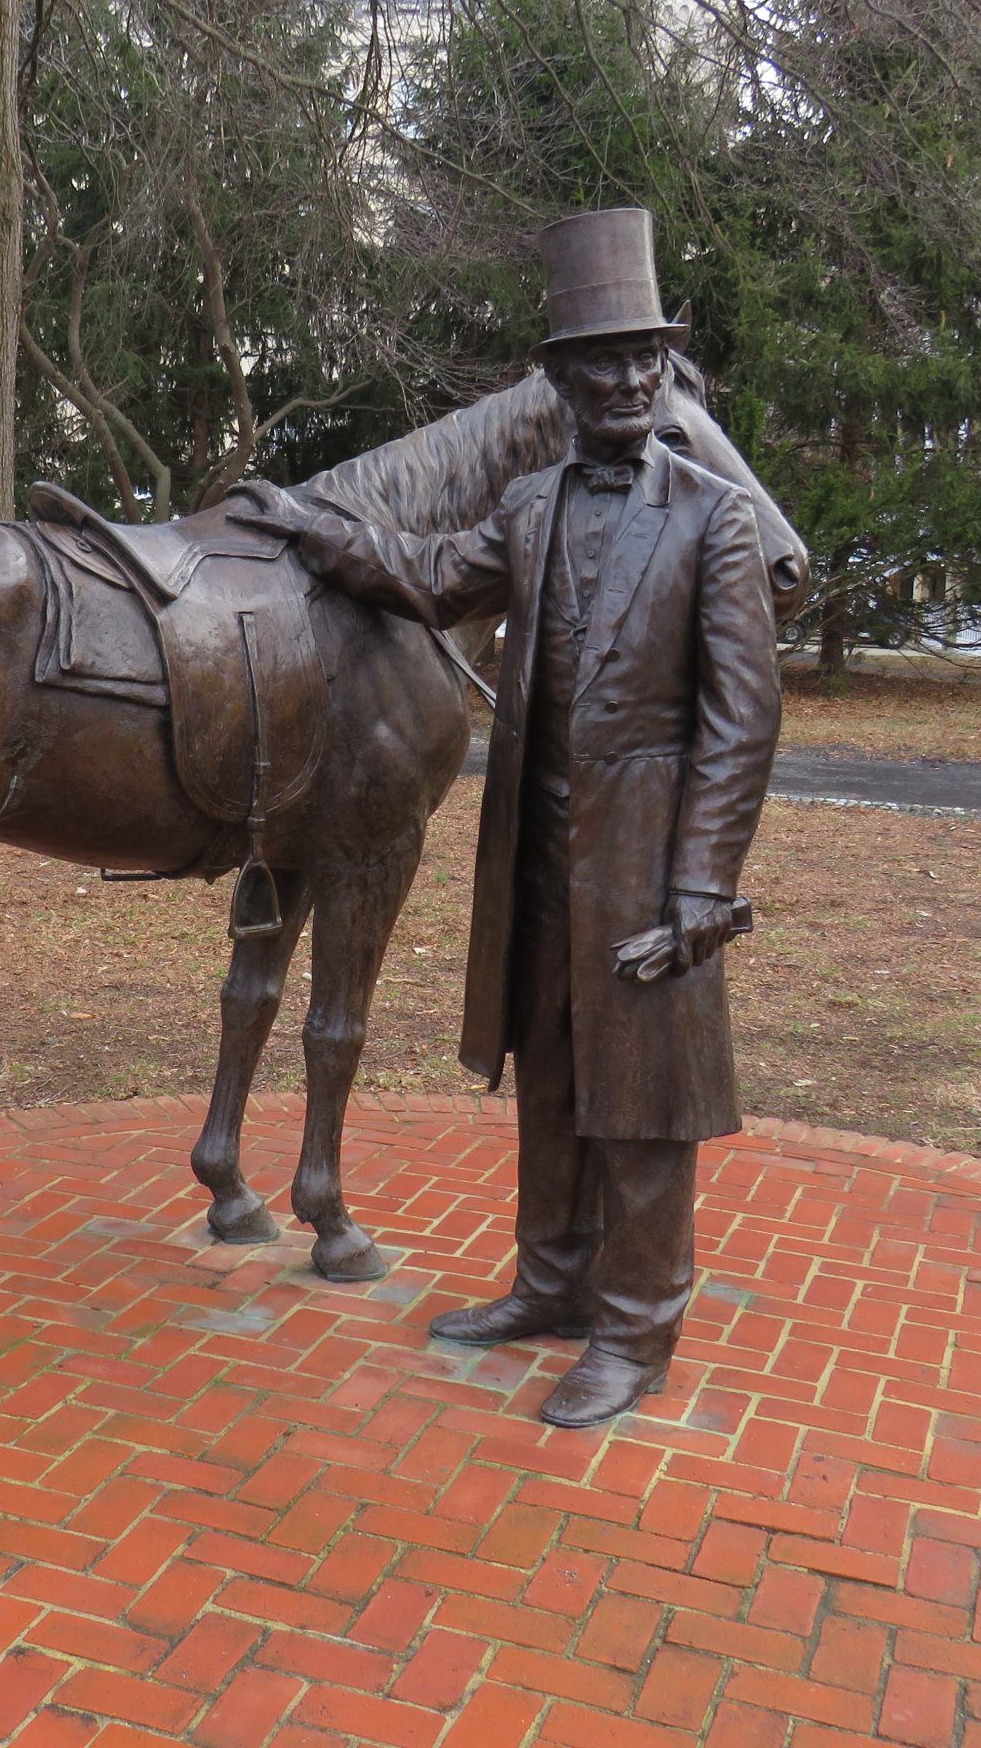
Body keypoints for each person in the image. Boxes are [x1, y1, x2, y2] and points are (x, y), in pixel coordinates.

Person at [233, 208, 781, 1427]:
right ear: (562, 381)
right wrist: (309, 526)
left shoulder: (713, 518)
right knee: (551, 1078)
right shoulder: (532, 507)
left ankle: (635, 1336)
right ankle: (551, 1284)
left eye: (650, 359)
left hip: (648, 856)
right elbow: (426, 576)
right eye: (605, 360)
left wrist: (701, 888)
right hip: (536, 850)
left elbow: (744, 722)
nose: (631, 379)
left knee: (642, 1105)